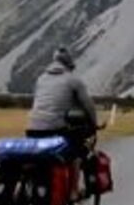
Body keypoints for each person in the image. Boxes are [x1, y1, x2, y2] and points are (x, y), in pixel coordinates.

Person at [26, 46, 99, 196]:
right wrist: (94, 123)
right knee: (76, 152)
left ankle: (29, 187)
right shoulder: (73, 80)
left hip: (32, 128)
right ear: (69, 65)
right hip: (56, 129)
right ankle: (73, 191)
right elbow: (88, 105)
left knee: (37, 156)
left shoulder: (41, 79)